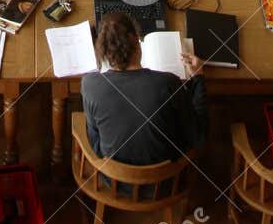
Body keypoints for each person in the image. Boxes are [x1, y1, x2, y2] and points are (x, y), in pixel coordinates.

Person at [82, 11, 207, 166]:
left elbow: (95, 135)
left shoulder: (89, 84)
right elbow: (198, 136)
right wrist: (198, 78)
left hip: (112, 179)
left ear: (103, 51)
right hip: (164, 181)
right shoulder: (168, 83)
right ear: (136, 40)